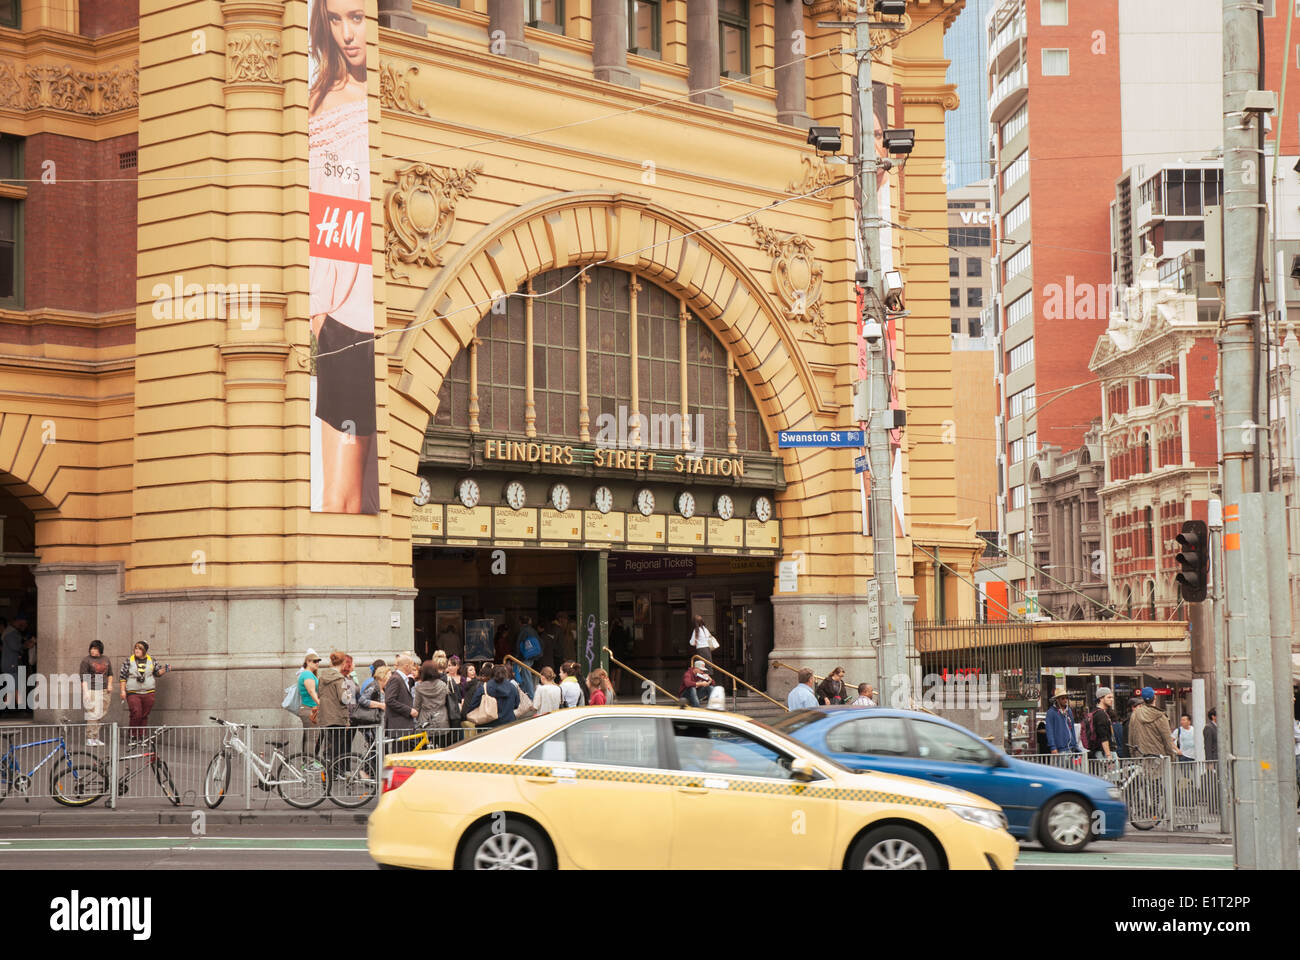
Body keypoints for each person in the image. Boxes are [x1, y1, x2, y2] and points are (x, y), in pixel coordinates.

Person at [308, 0, 378, 514]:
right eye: (336, 19)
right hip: (343, 318)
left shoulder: (373, 98)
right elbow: (327, 213)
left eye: (358, 17)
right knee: (341, 494)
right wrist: (319, 310)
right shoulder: (327, 103)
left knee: (360, 493)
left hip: (371, 319)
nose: (348, 33)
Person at [117, 641, 169, 740]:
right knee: (136, 712)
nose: (137, 650)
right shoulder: (129, 661)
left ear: (144, 650)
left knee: (144, 714)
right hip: (133, 692)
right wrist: (123, 691)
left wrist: (165, 669)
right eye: (136, 648)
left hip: (148, 691)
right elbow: (123, 677)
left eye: (140, 648)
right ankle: (133, 734)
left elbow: (157, 673)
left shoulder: (152, 660)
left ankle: (142, 735)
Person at [78, 640, 117, 747]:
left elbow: (110, 674)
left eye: (95, 649)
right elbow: (84, 678)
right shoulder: (86, 660)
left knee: (100, 713)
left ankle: (95, 737)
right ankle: (90, 737)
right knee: (92, 713)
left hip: (103, 688)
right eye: (92, 648)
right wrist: (86, 692)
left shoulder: (106, 659)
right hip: (92, 688)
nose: (93, 651)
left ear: (100, 650)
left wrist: (110, 685)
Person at [315, 652, 350, 767]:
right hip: (337, 717)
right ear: (343, 663)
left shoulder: (322, 677)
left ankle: (327, 773)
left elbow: (319, 694)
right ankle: (333, 773)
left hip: (325, 717)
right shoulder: (339, 679)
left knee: (329, 748)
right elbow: (344, 699)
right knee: (337, 749)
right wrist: (350, 693)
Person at [464, 663, 521, 728]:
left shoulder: (484, 687)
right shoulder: (512, 687)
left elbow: (473, 705)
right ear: (505, 674)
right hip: (508, 723)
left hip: (487, 725)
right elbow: (516, 704)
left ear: (491, 674)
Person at [1128, 687, 1177, 760]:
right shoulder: (1160, 716)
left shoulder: (1135, 714)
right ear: (1155, 697)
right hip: (1159, 758)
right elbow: (1167, 740)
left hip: (1140, 757)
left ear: (1142, 699)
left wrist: (1133, 755)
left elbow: (1131, 737)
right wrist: (1171, 757)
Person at [413, 656, 453, 735]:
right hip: (442, 718)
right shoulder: (442, 685)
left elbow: (416, 706)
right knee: (442, 745)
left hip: (425, 720)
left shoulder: (419, 687)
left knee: (426, 745)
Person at [297, 650, 322, 754]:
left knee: (311, 737)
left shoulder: (309, 674)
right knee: (311, 738)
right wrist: (320, 703)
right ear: (308, 661)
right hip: (309, 709)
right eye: (314, 661)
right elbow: (311, 691)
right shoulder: (307, 674)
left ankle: (309, 761)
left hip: (310, 709)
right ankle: (309, 762)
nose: (317, 663)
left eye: (318, 661)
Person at [384, 653, 417, 732]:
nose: (413, 668)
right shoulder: (396, 679)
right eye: (412, 665)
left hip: (404, 725)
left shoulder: (401, 679)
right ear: (406, 666)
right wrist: (409, 710)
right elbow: (389, 700)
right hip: (399, 726)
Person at [1045, 691, 1078, 757]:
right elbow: (1049, 731)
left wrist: (1075, 745)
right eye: (1063, 698)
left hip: (1071, 748)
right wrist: (1053, 747)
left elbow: (1072, 729)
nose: (1065, 700)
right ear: (1057, 700)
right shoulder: (1051, 712)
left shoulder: (1069, 711)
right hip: (1059, 749)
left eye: (1066, 698)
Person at [1088, 687, 1116, 761]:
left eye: (1112, 697)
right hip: (1103, 753)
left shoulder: (1096, 712)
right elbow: (1103, 737)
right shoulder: (1101, 714)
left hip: (1101, 751)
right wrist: (1109, 756)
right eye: (1109, 697)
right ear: (1101, 698)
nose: (1112, 700)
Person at [516, 616, 541, 697]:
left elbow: (519, 645)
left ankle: (531, 696)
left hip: (525, 657)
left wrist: (517, 657)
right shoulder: (533, 630)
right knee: (526, 675)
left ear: (520, 622)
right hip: (533, 655)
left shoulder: (523, 631)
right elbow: (541, 643)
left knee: (526, 676)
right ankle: (524, 694)